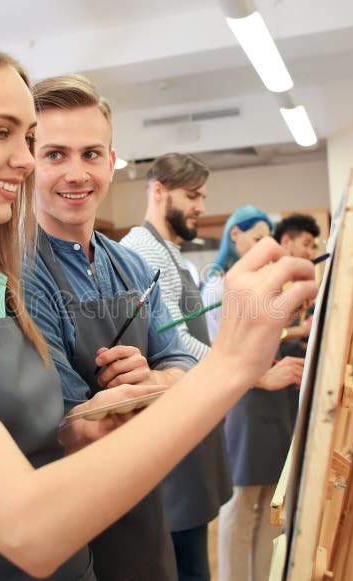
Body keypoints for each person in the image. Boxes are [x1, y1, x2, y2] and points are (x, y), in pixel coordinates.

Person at [0, 39, 318, 581]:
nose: (27, 161)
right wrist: (233, 366)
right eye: (2, 132)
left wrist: (89, 424)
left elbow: (51, 436)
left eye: (29, 140)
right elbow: (24, 526)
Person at [22, 76, 206, 581]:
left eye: (91, 154)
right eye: (55, 154)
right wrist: (156, 393)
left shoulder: (130, 264)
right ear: (28, 161)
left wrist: (151, 380)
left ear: (111, 161)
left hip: (145, 499)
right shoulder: (20, 275)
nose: (76, 173)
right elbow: (64, 421)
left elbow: (183, 362)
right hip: (72, 512)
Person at [120, 153, 232, 581]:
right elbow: (172, 339)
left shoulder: (170, 252)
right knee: (186, 565)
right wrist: (236, 368)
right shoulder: (142, 249)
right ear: (159, 191)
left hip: (191, 421)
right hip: (172, 424)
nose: (201, 206)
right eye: (193, 195)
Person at [202, 206, 306, 581]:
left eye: (268, 239)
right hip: (242, 399)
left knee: (267, 504)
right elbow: (219, 351)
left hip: (267, 393)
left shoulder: (256, 284)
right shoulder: (217, 285)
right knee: (241, 505)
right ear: (235, 235)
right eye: (258, 238)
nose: (264, 246)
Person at [273, 213, 321, 342]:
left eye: (313, 247)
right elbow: (267, 334)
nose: (311, 254)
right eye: (306, 244)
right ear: (286, 242)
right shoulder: (271, 283)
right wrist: (301, 331)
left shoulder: (296, 283)